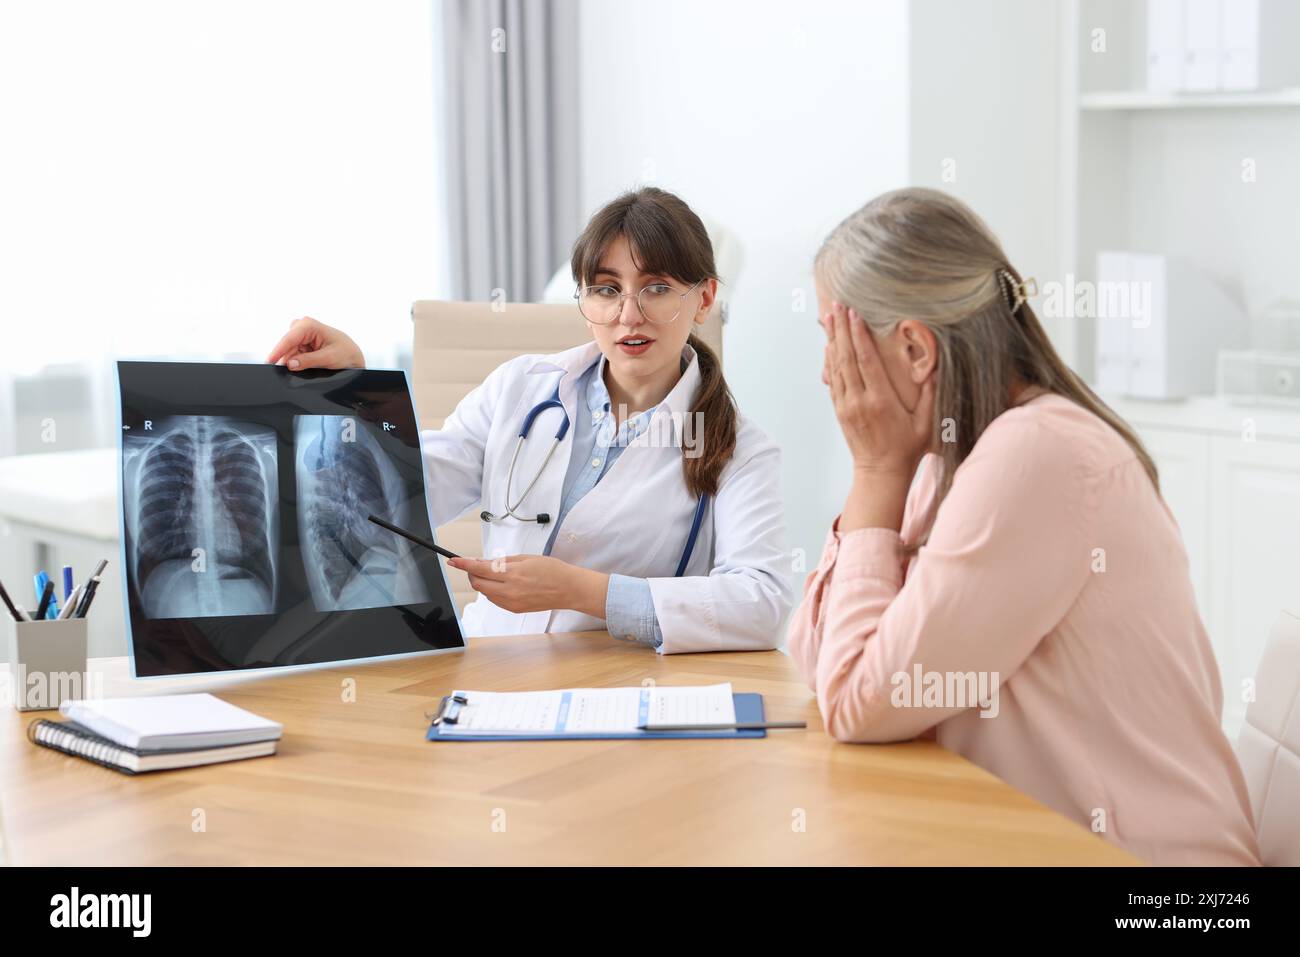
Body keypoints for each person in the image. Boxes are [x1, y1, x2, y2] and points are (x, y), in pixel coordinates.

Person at [787, 187, 1260, 865]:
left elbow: (856, 703)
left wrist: (873, 473)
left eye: (836, 342)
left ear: (916, 350)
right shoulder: (946, 459)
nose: (828, 373)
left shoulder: (1036, 454)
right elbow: (818, 655)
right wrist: (883, 477)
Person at [267, 187, 791, 653]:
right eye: (606, 289)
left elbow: (762, 604)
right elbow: (407, 492)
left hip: (613, 694)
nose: (629, 315)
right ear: (584, 298)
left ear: (704, 298)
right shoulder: (520, 388)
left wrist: (583, 591)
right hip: (483, 673)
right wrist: (356, 388)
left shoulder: (741, 449)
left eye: (656, 288)